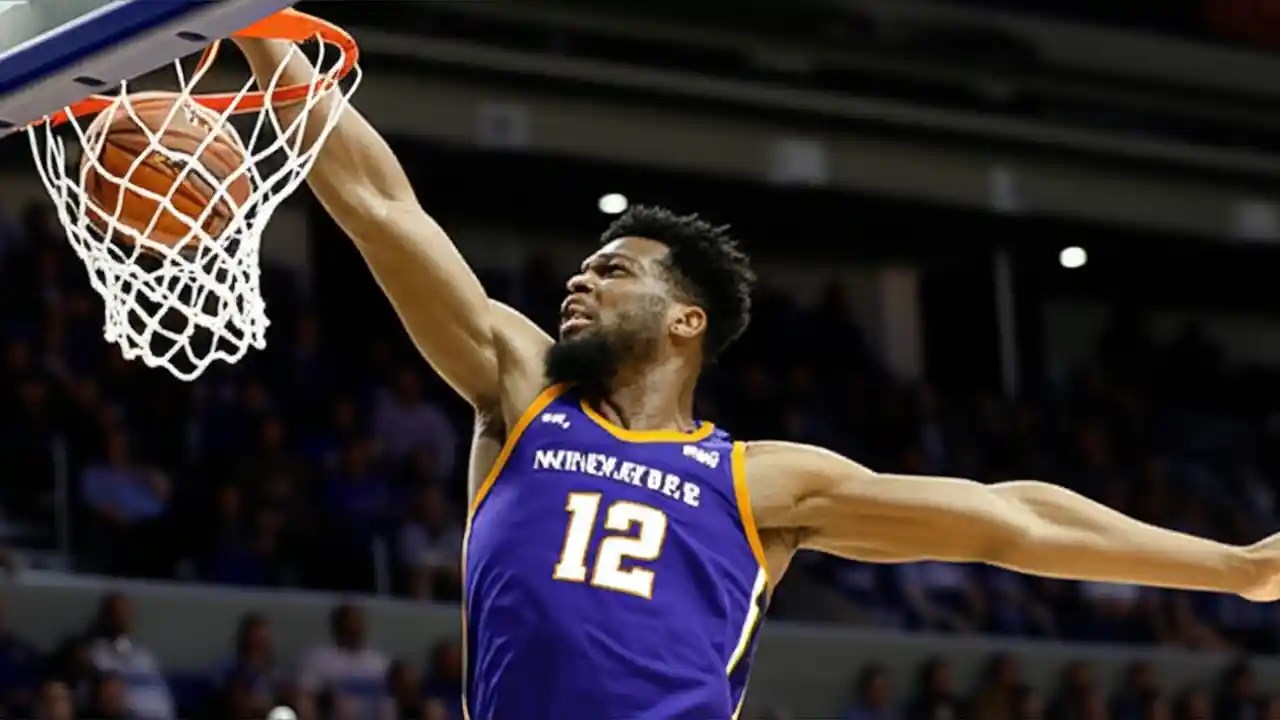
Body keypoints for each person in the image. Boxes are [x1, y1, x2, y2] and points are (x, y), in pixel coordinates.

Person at [234, 31, 1280, 720]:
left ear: (684, 319)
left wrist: (1235, 568)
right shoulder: (522, 389)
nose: (576, 283)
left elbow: (1010, 518)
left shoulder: (761, 483)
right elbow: (384, 209)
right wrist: (263, 31)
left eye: (612, 270)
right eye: (579, 267)